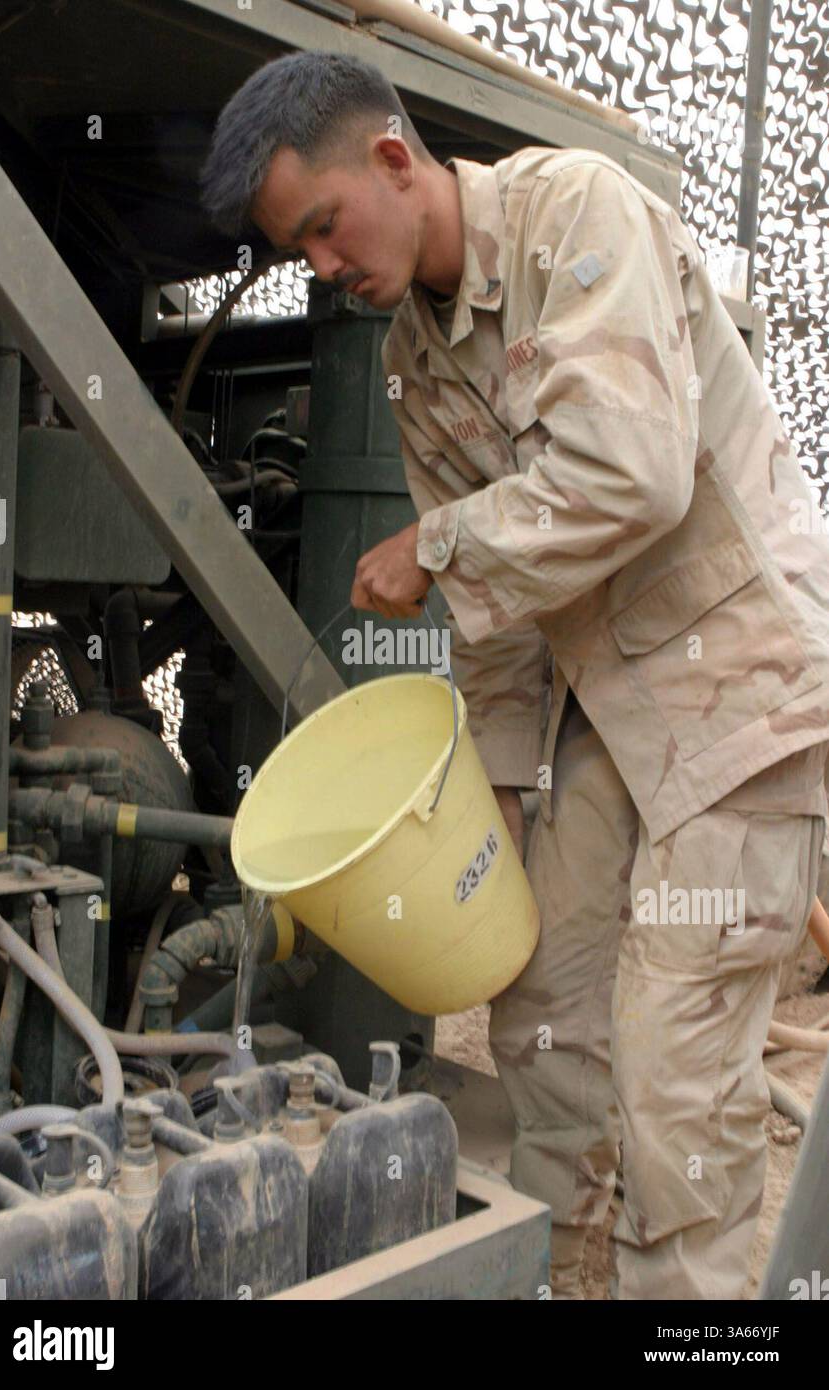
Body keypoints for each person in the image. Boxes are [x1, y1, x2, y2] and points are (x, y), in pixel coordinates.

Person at [201, 50, 829, 1299]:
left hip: (739, 696)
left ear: (391, 158)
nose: (323, 267)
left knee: (675, 1079)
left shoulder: (573, 214)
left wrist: (431, 544)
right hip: (603, 703)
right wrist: (483, 808)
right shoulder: (413, 364)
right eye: (297, 251)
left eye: (323, 226)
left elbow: (630, 475)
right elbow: (491, 630)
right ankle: (555, 1278)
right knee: (539, 1007)